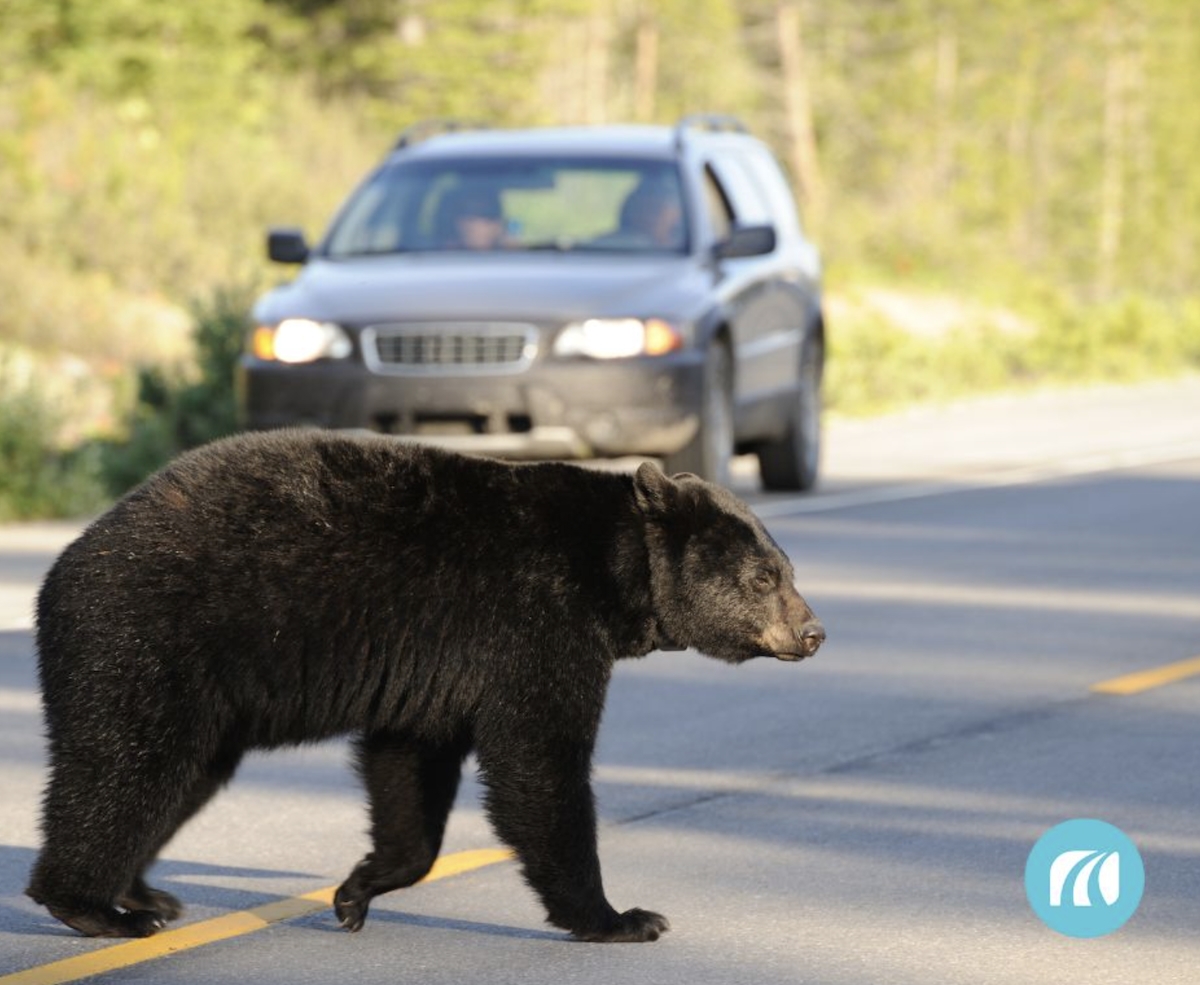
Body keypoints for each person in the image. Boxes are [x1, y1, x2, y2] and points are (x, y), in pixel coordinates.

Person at [437, 186, 507, 250]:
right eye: (470, 217)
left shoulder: (512, 259)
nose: (480, 224)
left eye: (489, 215)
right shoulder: (439, 259)